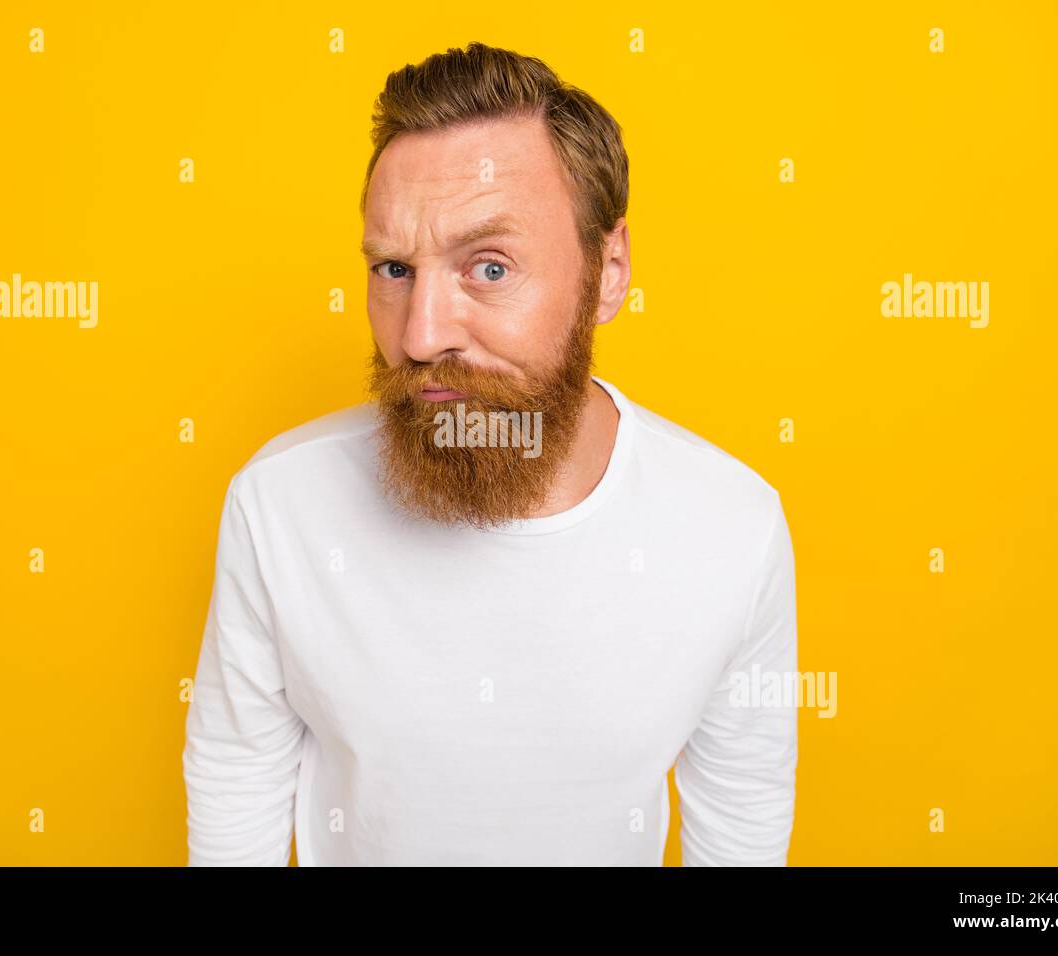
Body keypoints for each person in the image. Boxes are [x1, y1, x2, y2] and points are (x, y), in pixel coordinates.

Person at [182, 41, 798, 866]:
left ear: (607, 272)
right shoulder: (279, 504)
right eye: (394, 268)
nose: (421, 333)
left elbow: (742, 818)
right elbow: (236, 780)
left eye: (491, 266)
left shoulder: (732, 526)